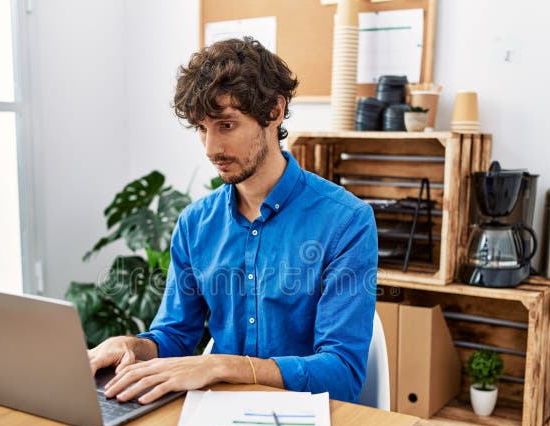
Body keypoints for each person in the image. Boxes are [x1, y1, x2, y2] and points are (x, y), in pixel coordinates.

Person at [88, 37, 377, 404]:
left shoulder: (346, 222)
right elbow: (174, 336)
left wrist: (224, 366)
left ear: (274, 111)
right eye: (201, 129)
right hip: (219, 417)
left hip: (310, 422)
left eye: (226, 125)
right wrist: (132, 345)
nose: (211, 149)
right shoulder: (195, 224)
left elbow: (342, 375)